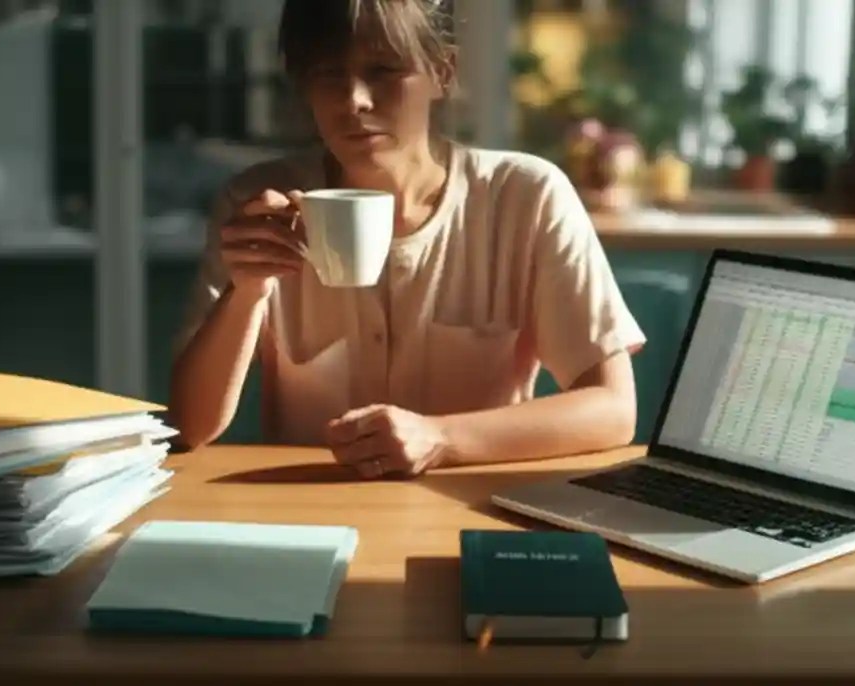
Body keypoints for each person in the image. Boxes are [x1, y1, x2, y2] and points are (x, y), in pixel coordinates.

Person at [169, 0, 646, 478]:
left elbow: (613, 408)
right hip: (309, 512)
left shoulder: (524, 197)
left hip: (469, 506)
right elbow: (191, 426)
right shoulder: (259, 206)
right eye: (328, 74)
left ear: (443, 71)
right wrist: (247, 291)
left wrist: (440, 438)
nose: (354, 98)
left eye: (382, 70)